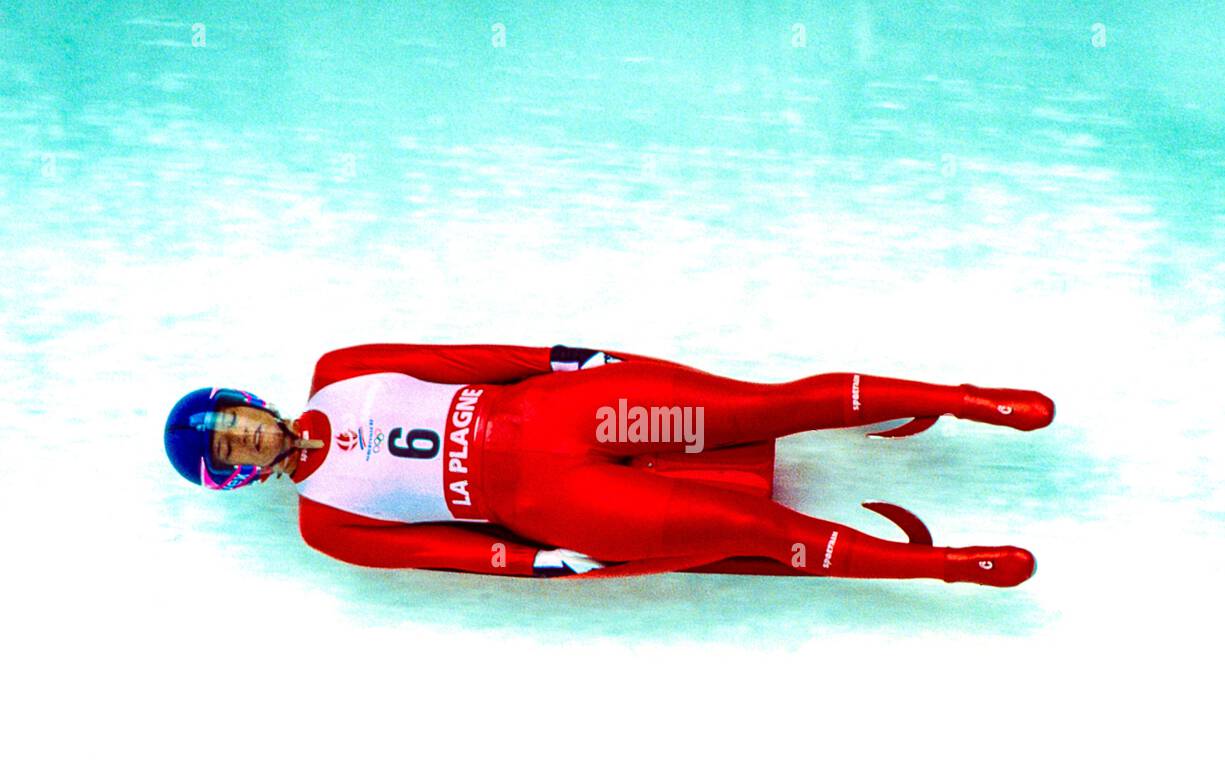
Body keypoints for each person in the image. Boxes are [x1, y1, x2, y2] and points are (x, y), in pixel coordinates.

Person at [163, 343, 1054, 585]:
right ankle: (942, 567)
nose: (247, 436)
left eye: (236, 422)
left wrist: (570, 360)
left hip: (569, 408)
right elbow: (444, 552)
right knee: (749, 530)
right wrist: (542, 563)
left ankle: (964, 396)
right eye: (234, 449)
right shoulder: (325, 522)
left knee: (758, 407)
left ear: (247, 403)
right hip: (560, 502)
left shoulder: (340, 369)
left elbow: (469, 359)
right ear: (240, 471)